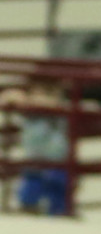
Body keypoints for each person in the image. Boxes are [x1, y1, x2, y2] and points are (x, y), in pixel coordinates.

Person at [1, 78, 69, 216]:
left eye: (46, 92)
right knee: (31, 186)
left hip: (56, 158)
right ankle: (29, 208)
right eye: (36, 92)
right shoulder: (29, 109)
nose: (39, 97)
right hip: (34, 157)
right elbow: (8, 97)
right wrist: (22, 100)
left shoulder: (60, 108)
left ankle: (57, 212)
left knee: (56, 187)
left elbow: (49, 104)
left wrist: (31, 101)